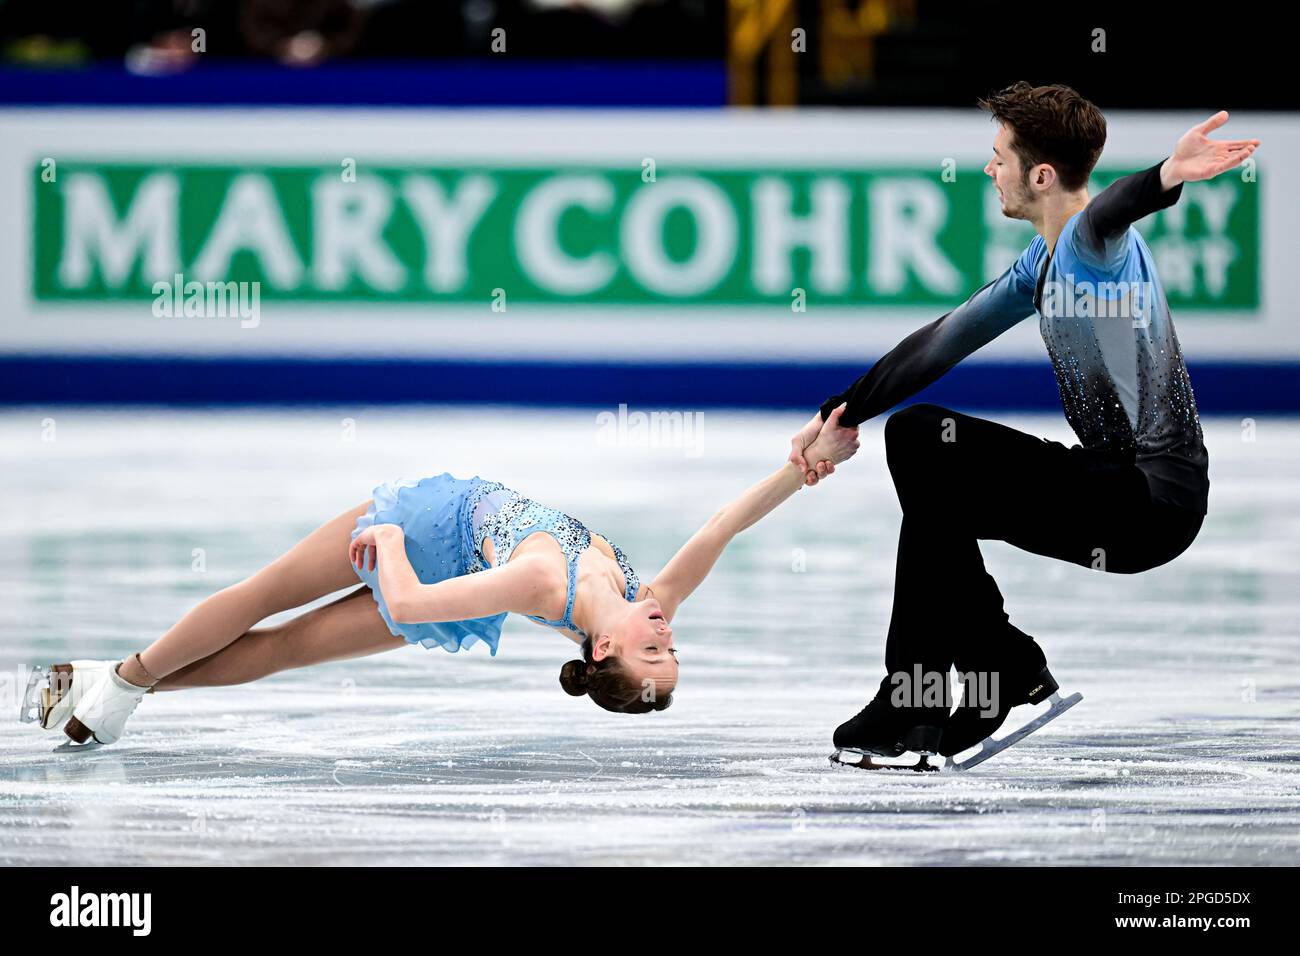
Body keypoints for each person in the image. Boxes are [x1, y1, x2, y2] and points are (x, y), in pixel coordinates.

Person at [789, 82, 1259, 760]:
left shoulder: (1094, 246)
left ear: (1041, 175)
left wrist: (1165, 176)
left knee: (925, 451)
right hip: (1108, 483)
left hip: (1149, 500)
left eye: (999, 156)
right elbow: (940, 341)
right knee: (929, 478)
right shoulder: (1040, 264)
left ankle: (970, 676)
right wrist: (839, 414)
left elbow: (1113, 209)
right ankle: (950, 686)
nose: (990, 169)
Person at [24, 408, 861, 746]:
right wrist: (805, 465)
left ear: (604, 646)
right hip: (451, 560)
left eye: (653, 654)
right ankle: (113, 689)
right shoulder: (650, 596)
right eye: (672, 651)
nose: (667, 635)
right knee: (273, 638)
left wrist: (387, 538)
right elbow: (726, 524)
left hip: (426, 533)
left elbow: (416, 599)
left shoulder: (542, 583)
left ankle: (126, 680)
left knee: (266, 604)